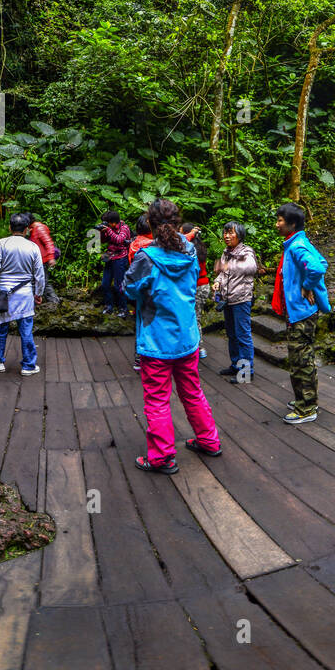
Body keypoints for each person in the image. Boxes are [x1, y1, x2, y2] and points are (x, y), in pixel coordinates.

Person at [124, 198, 220, 472]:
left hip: (156, 340)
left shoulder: (146, 258)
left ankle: (162, 456)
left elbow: (129, 289)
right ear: (178, 223)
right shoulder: (190, 251)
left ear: (151, 226)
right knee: (192, 391)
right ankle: (209, 441)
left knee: (157, 399)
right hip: (187, 337)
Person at [273, 201, 330, 425]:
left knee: (301, 360)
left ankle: (307, 407)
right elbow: (322, 260)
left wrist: (307, 284)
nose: (277, 224)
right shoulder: (297, 242)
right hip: (299, 311)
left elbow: (317, 267)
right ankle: (303, 400)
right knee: (298, 357)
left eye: (280, 221)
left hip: (302, 313)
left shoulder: (297, 246)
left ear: (292, 223)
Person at [0, 213, 50, 375]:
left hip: (4, 294)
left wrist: (2, 272)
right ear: (27, 230)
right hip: (25, 295)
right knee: (26, 330)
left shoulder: (2, 243)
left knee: (1, 328)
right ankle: (28, 365)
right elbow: (39, 275)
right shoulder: (32, 247)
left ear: (10, 227)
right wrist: (39, 293)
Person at [208, 221, 259, 382]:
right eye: (225, 233)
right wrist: (218, 281)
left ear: (240, 235)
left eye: (231, 233)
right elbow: (224, 275)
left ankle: (245, 373)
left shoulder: (246, 252)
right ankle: (236, 365)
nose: (227, 236)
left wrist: (227, 266)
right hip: (227, 300)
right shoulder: (226, 252)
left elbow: (251, 267)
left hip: (241, 300)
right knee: (231, 334)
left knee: (243, 336)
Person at [98, 213, 136, 316]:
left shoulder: (124, 228)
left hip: (120, 258)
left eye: (108, 223)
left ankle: (123, 309)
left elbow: (119, 240)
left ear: (114, 222)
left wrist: (109, 231)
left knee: (118, 285)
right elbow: (103, 241)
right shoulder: (109, 228)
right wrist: (102, 232)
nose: (107, 225)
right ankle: (109, 307)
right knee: (105, 283)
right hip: (110, 257)